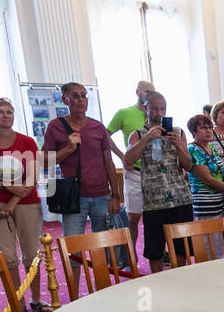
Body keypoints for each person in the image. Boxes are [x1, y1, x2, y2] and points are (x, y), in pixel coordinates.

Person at [0, 97, 46, 312]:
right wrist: (9, 187)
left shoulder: (27, 142)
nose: (6, 115)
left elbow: (32, 177)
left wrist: (13, 201)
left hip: (26, 201)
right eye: (0, 112)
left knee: (31, 253)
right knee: (8, 257)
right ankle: (18, 300)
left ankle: (35, 298)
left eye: (10, 112)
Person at [125, 92, 195, 272]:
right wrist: (148, 137)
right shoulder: (138, 134)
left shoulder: (178, 132)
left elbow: (188, 164)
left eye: (162, 108)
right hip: (153, 201)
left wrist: (179, 145)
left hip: (180, 197)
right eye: (154, 108)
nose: (159, 112)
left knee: (181, 246)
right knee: (155, 250)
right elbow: (129, 160)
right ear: (145, 109)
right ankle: (157, 283)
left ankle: (180, 279)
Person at [43, 82, 121, 243]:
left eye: (84, 96)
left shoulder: (98, 127)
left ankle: (104, 270)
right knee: (73, 246)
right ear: (65, 100)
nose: (81, 100)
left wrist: (115, 195)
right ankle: (75, 269)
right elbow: (44, 162)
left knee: (106, 244)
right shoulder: (55, 127)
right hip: (74, 196)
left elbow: (109, 162)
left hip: (101, 195)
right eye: (75, 96)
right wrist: (68, 149)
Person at [187, 112, 224, 256]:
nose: (208, 130)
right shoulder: (193, 149)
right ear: (194, 131)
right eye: (203, 128)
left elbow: (223, 167)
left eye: (209, 127)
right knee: (212, 244)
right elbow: (208, 180)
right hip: (206, 203)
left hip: (221, 199)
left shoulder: (210, 147)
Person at [107, 80, 154, 245]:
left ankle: (161, 252)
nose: (149, 95)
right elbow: (106, 135)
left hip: (155, 172)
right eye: (146, 91)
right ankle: (130, 255)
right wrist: (121, 156)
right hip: (134, 171)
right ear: (137, 92)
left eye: (152, 92)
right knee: (133, 217)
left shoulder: (156, 115)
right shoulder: (124, 113)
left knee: (156, 215)